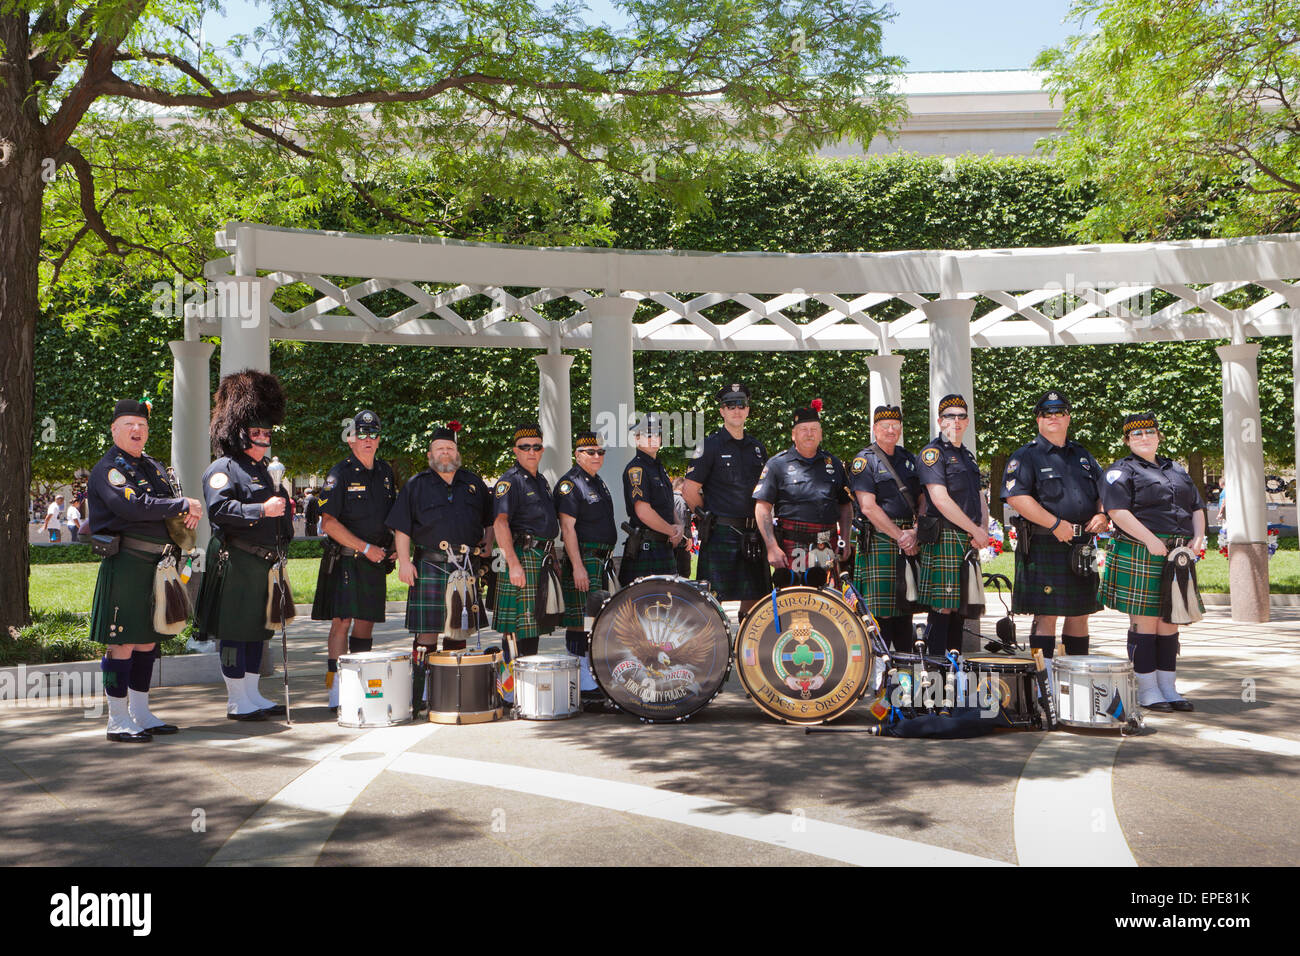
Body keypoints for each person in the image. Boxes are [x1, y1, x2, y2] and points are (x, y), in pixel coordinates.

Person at [87, 398, 203, 742]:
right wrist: (183, 504)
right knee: (121, 641)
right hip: (126, 563)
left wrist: (185, 513)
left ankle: (140, 711)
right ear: (114, 430)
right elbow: (133, 506)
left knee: (148, 640)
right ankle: (117, 717)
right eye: (129, 425)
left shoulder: (153, 466)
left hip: (158, 565)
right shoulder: (109, 469)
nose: (137, 431)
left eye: (142, 425)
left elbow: (165, 506)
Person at [194, 369, 293, 721]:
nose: (264, 437)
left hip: (262, 561)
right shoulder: (223, 468)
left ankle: (252, 694)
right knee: (236, 630)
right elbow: (220, 511)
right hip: (235, 557)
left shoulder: (265, 470)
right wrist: (261, 509)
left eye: (267, 432)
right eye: (257, 432)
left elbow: (274, 512)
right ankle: (237, 699)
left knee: (257, 629)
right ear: (239, 433)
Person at [1098, 413, 1206, 712]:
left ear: (1158, 436)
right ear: (1127, 440)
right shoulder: (1120, 471)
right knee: (1145, 622)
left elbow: (1196, 505)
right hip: (1141, 549)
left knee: (1171, 621)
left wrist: (1198, 539)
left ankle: (1169, 688)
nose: (1144, 437)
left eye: (1149, 432)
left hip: (1178, 554)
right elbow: (1116, 511)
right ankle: (1147, 691)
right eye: (1136, 434)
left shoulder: (1177, 469)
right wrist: (1148, 539)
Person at [1001, 390, 1109, 658]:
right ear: (1038, 420)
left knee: (1081, 613)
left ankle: (1076, 674)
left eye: (1059, 413)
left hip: (1083, 544)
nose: (1053, 418)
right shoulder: (1025, 456)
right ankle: (1044, 682)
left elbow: (1104, 490)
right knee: (1046, 614)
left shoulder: (1082, 455)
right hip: (1044, 542)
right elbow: (1016, 497)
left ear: (1068, 418)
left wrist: (1103, 514)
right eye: (1046, 414)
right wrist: (1055, 524)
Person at [312, 409, 398, 709]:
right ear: (351, 439)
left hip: (375, 560)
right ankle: (335, 687)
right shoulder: (340, 473)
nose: (368, 440)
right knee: (341, 622)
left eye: (373, 434)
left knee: (366, 623)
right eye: (362, 434)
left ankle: (359, 681)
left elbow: (392, 515)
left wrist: (394, 546)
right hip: (348, 557)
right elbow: (329, 523)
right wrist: (364, 547)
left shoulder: (386, 473)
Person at [387, 422, 494, 656]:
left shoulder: (474, 483)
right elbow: (402, 528)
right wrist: (405, 563)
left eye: (450, 448)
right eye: (440, 448)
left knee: (459, 631)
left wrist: (489, 541)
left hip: (466, 565)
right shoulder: (416, 485)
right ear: (430, 455)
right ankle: (423, 687)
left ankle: (453, 686)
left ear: (457, 453)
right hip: (430, 565)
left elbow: (490, 519)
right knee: (426, 635)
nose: (445, 452)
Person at [682, 382, 770, 617]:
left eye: (741, 405)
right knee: (711, 601)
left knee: (755, 599)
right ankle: (715, 650)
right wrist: (707, 517)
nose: (736, 410)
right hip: (722, 531)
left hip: (753, 533)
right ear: (722, 411)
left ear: (748, 410)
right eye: (730, 406)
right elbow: (689, 490)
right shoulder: (708, 446)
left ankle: (744, 647)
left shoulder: (757, 449)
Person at [851, 404, 926, 652]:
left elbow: (922, 498)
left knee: (907, 609)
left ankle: (905, 670)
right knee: (880, 613)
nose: (891, 430)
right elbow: (868, 507)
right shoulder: (865, 461)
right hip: (882, 540)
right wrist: (901, 537)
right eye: (885, 426)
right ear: (875, 429)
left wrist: (915, 530)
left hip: (909, 538)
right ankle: (880, 674)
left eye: (895, 425)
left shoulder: (909, 459)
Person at [917, 394, 988, 655]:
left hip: (968, 538)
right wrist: (975, 530)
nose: (955, 421)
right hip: (946, 535)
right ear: (939, 420)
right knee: (943, 605)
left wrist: (984, 529)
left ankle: (954, 665)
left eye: (961, 416)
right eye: (949, 416)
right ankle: (936, 668)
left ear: (967, 421)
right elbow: (940, 499)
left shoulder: (967, 456)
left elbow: (979, 495)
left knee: (961, 605)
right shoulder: (932, 454)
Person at [753, 399, 853, 575]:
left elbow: (845, 505)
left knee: (826, 601)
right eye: (803, 430)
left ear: (821, 434)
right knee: (795, 600)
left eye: (814, 430)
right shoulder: (777, 464)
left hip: (826, 545)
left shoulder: (834, 464)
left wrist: (844, 539)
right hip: (791, 545)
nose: (809, 434)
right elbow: (762, 507)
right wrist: (772, 547)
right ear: (793, 434)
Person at [554, 430, 617, 696]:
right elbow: (568, 529)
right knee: (580, 619)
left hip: (601, 559)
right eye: (590, 452)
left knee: (597, 619)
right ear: (578, 454)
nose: (596, 456)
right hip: (585, 558)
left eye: (600, 452)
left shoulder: (597, 481)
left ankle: (591, 675)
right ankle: (581, 682)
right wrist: (578, 566)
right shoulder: (570, 484)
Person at [492, 423, 560, 658]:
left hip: (541, 557)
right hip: (522, 555)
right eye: (525, 447)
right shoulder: (509, 481)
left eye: (536, 447)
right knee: (516, 630)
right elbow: (500, 523)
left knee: (533, 627)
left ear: (542, 450)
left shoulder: (541, 481)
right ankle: (511, 691)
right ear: (516, 450)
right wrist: (512, 563)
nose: (531, 451)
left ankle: (528, 687)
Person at [619, 413, 682, 584]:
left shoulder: (659, 468)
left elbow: (668, 504)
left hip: (663, 544)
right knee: (644, 605)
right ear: (637, 439)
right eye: (648, 435)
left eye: (657, 434)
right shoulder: (636, 469)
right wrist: (672, 531)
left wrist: (679, 526)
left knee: (668, 603)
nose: (653, 438)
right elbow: (643, 512)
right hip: (647, 547)